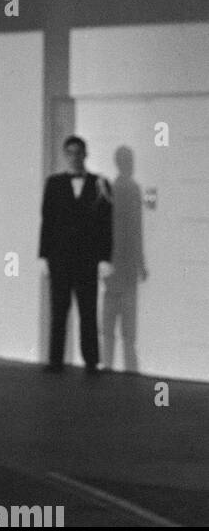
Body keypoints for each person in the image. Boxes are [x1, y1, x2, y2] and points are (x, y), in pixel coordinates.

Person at [39, 135, 112, 375]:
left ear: (85, 154)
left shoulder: (100, 183)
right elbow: (47, 221)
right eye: (70, 152)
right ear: (64, 154)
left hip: (87, 259)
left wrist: (104, 258)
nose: (74, 156)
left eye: (78, 151)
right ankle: (55, 360)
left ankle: (91, 362)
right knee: (58, 310)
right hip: (59, 258)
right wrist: (43, 256)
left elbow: (105, 224)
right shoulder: (54, 183)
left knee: (88, 311)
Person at [101, 144, 147, 373]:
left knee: (109, 331)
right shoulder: (132, 189)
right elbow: (136, 230)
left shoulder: (109, 189)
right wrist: (141, 265)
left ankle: (106, 376)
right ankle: (130, 378)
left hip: (113, 270)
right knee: (128, 334)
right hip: (126, 271)